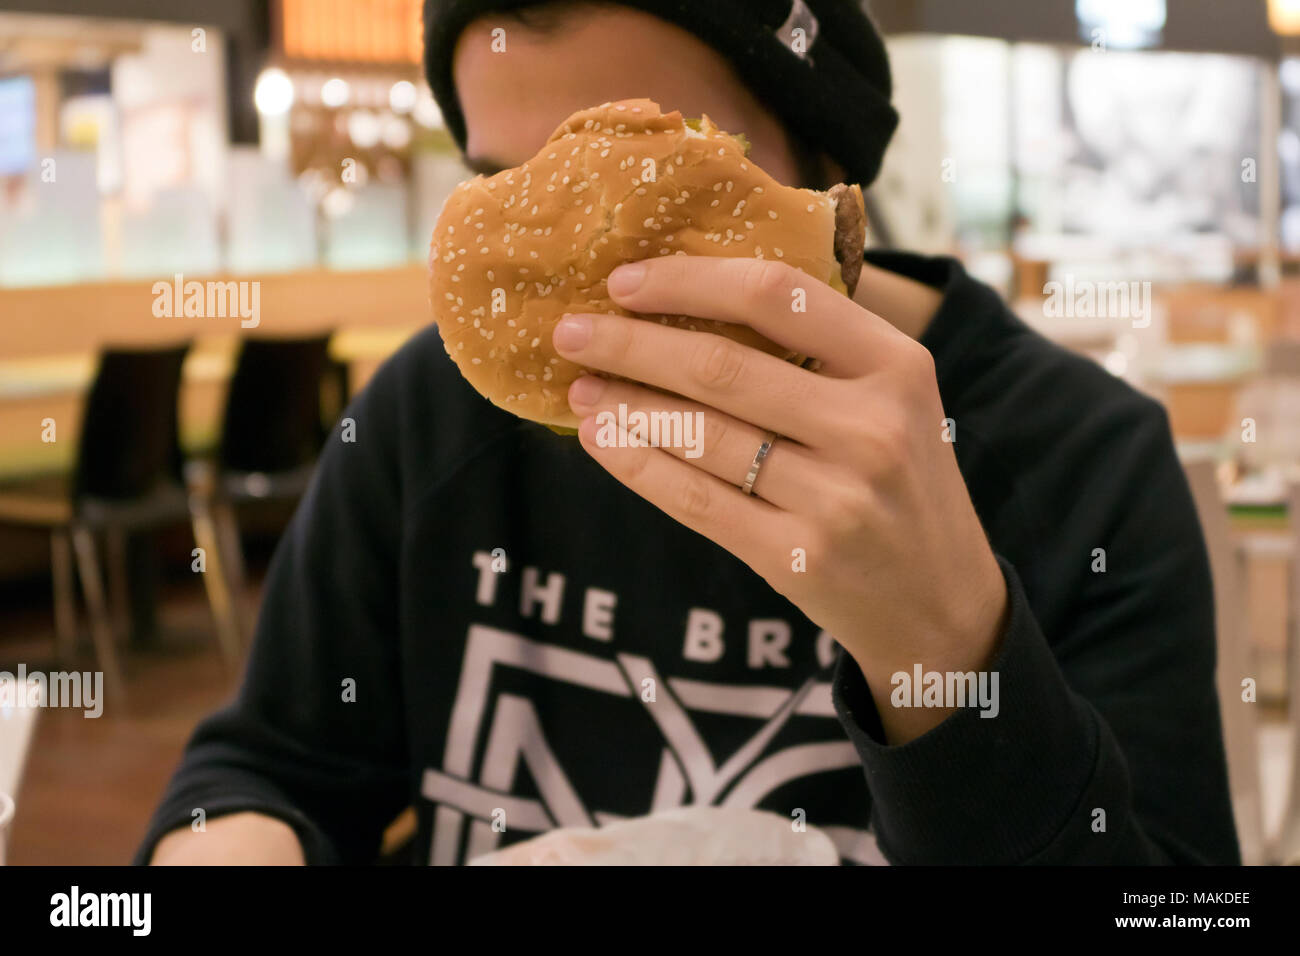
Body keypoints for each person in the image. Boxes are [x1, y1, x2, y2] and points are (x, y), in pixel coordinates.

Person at [139, 0, 1239, 865]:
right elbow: (275, 761)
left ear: (834, 199)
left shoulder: (1085, 463)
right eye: (504, 188)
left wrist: (947, 653)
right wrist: (233, 833)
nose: (576, 263)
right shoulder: (431, 414)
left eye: (649, 179)